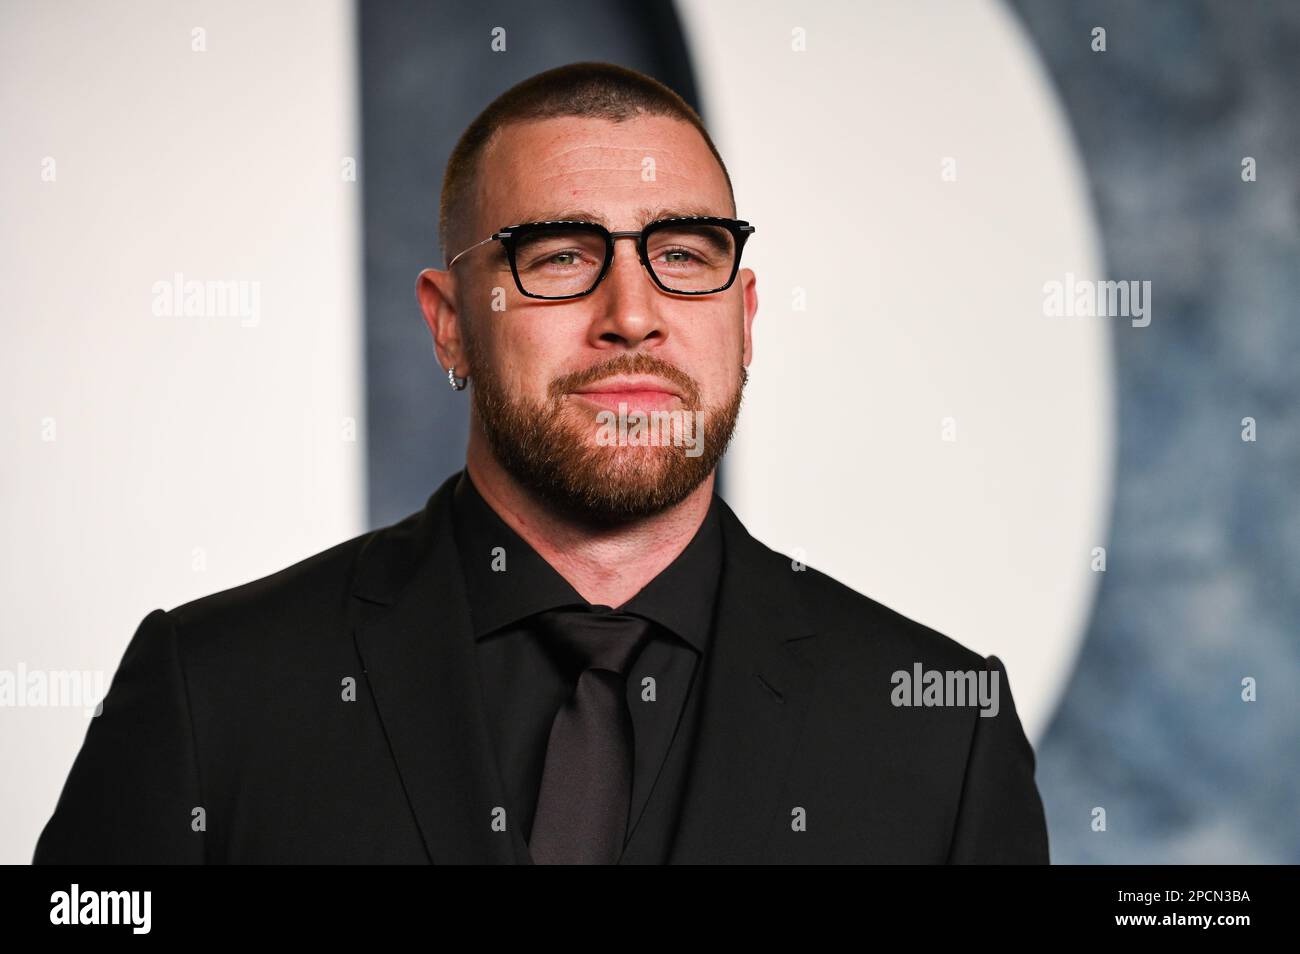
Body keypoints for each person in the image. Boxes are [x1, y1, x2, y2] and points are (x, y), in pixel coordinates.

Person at [33, 61, 1049, 864]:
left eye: (685, 255)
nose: (633, 316)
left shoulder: (941, 730)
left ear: (742, 321)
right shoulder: (210, 694)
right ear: (450, 329)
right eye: (560, 257)